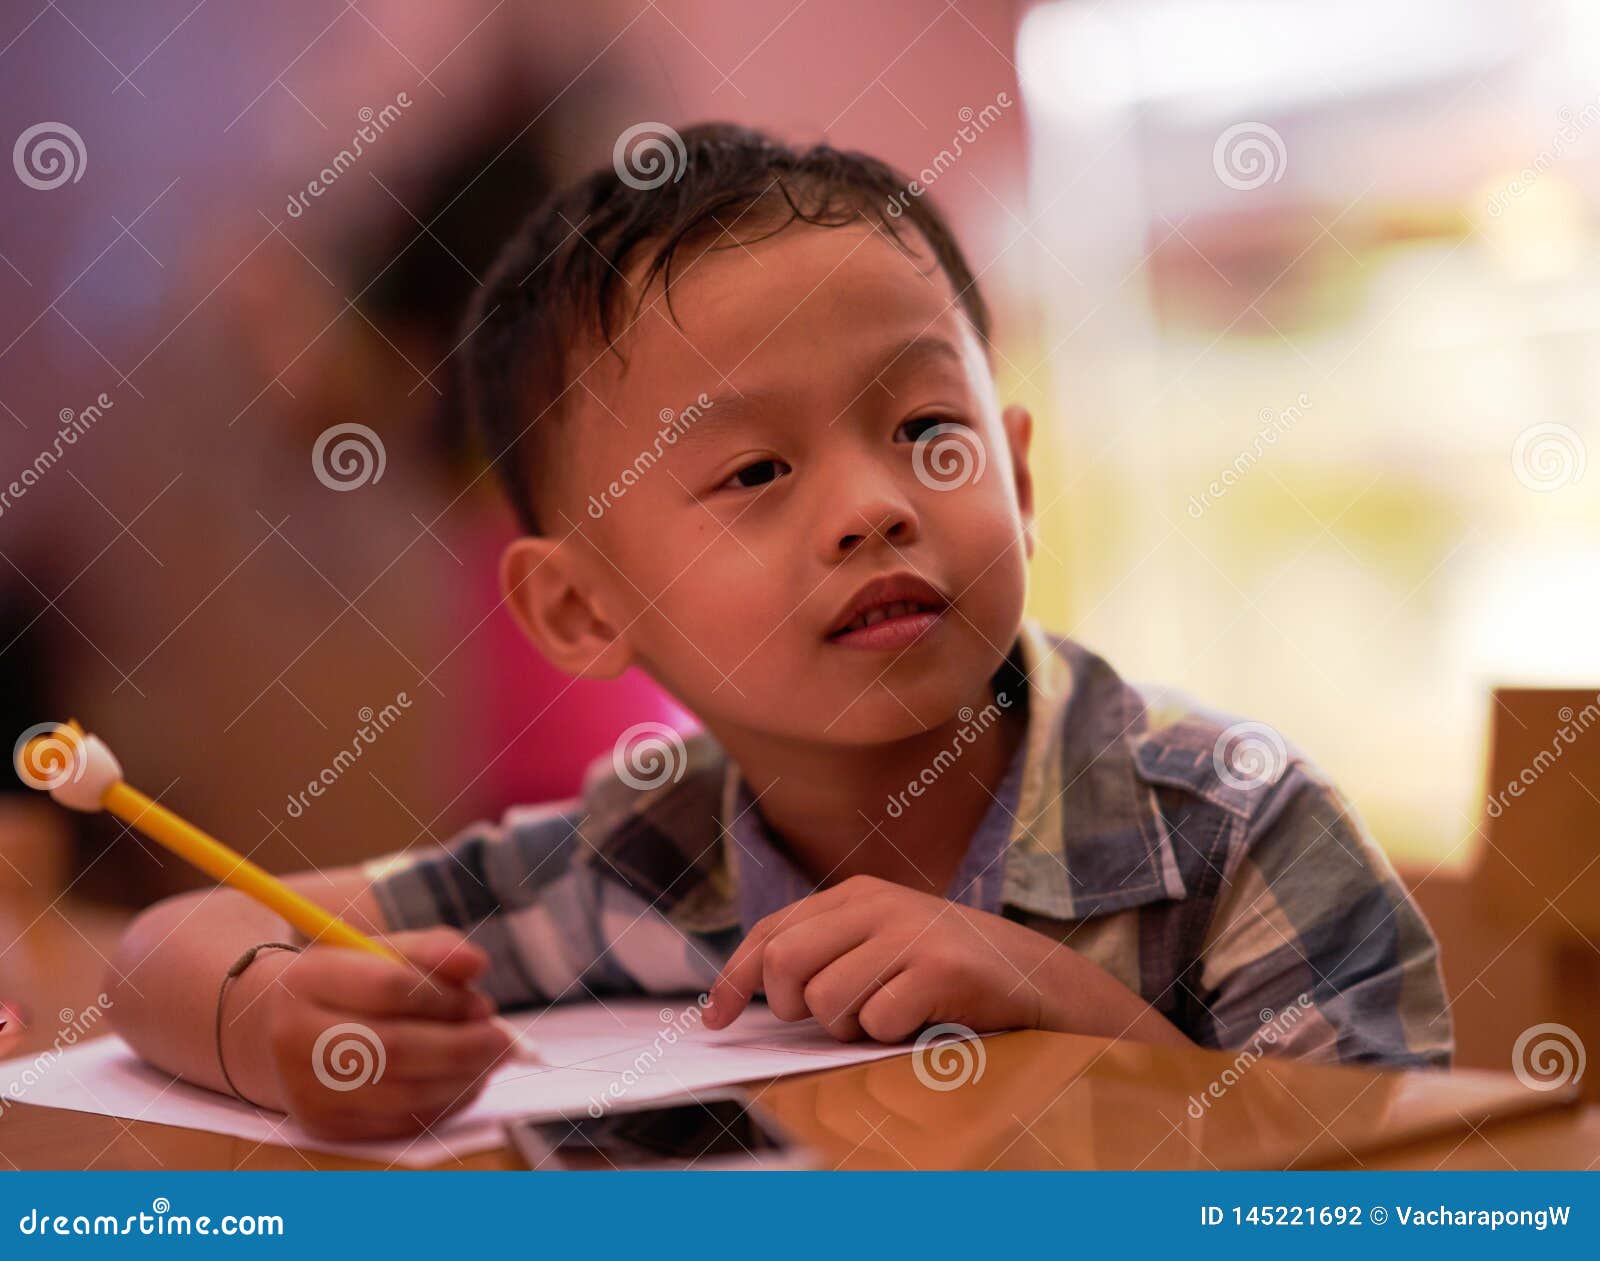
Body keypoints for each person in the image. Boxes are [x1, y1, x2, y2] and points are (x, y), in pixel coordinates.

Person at [105, 124, 1451, 1140]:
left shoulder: (1231, 831)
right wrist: (268, 1022)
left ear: (1021, 482)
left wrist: (1055, 1004)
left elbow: (1421, 1195)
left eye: (928, 432)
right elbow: (166, 945)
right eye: (755, 473)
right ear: (580, 609)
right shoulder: (634, 863)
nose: (874, 506)